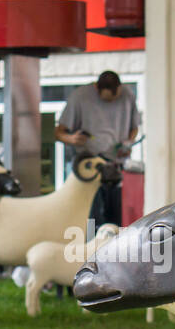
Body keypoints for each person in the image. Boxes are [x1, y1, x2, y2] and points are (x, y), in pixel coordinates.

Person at [55, 70, 140, 227]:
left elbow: (134, 127)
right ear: (97, 89)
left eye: (115, 99)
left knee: (117, 220)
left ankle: (116, 248)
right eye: (106, 99)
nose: (111, 102)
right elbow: (59, 133)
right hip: (90, 167)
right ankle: (92, 248)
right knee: (93, 218)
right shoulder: (79, 97)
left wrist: (129, 141)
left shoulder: (127, 95)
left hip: (117, 166)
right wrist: (72, 139)